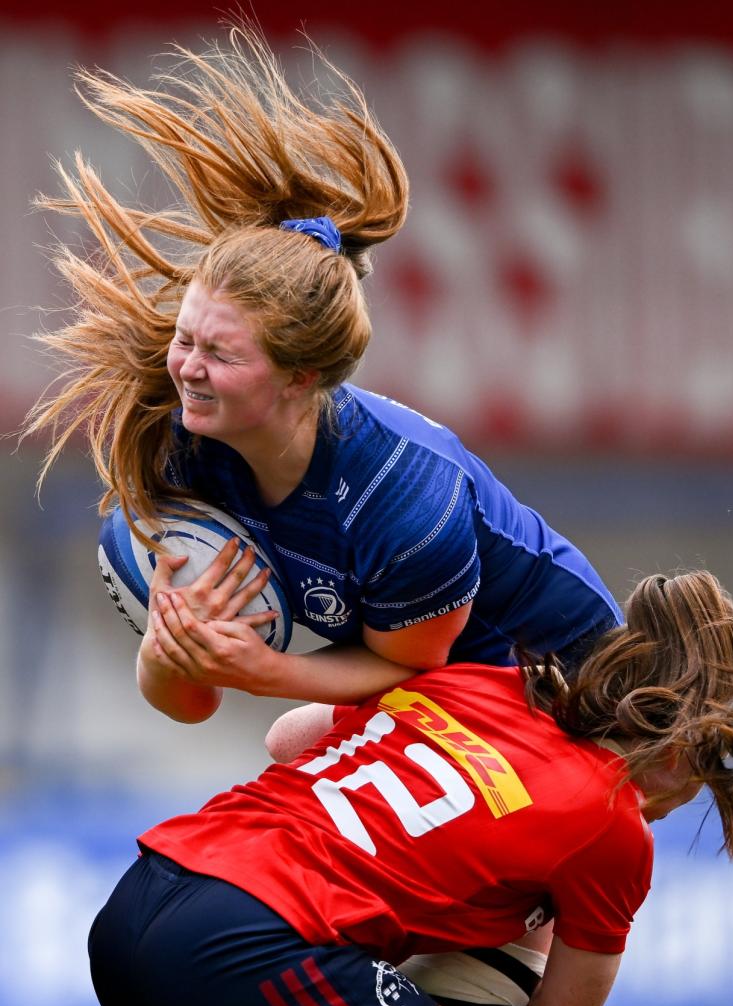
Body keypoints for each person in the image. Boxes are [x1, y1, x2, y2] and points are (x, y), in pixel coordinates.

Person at [23, 23, 622, 727]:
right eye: (185, 339)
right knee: (291, 742)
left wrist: (265, 671)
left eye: (220, 353)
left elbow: (416, 667)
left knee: (292, 743)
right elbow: (190, 704)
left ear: (301, 377)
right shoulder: (184, 455)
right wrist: (168, 649)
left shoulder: (400, 494)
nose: (187, 368)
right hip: (438, 691)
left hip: (568, 683)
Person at [87, 570, 733, 1006]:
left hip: (147, 898)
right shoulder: (612, 822)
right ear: (677, 751)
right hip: (243, 947)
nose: (691, 798)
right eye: (707, 774)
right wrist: (534, 911)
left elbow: (287, 738)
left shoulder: (485, 681)